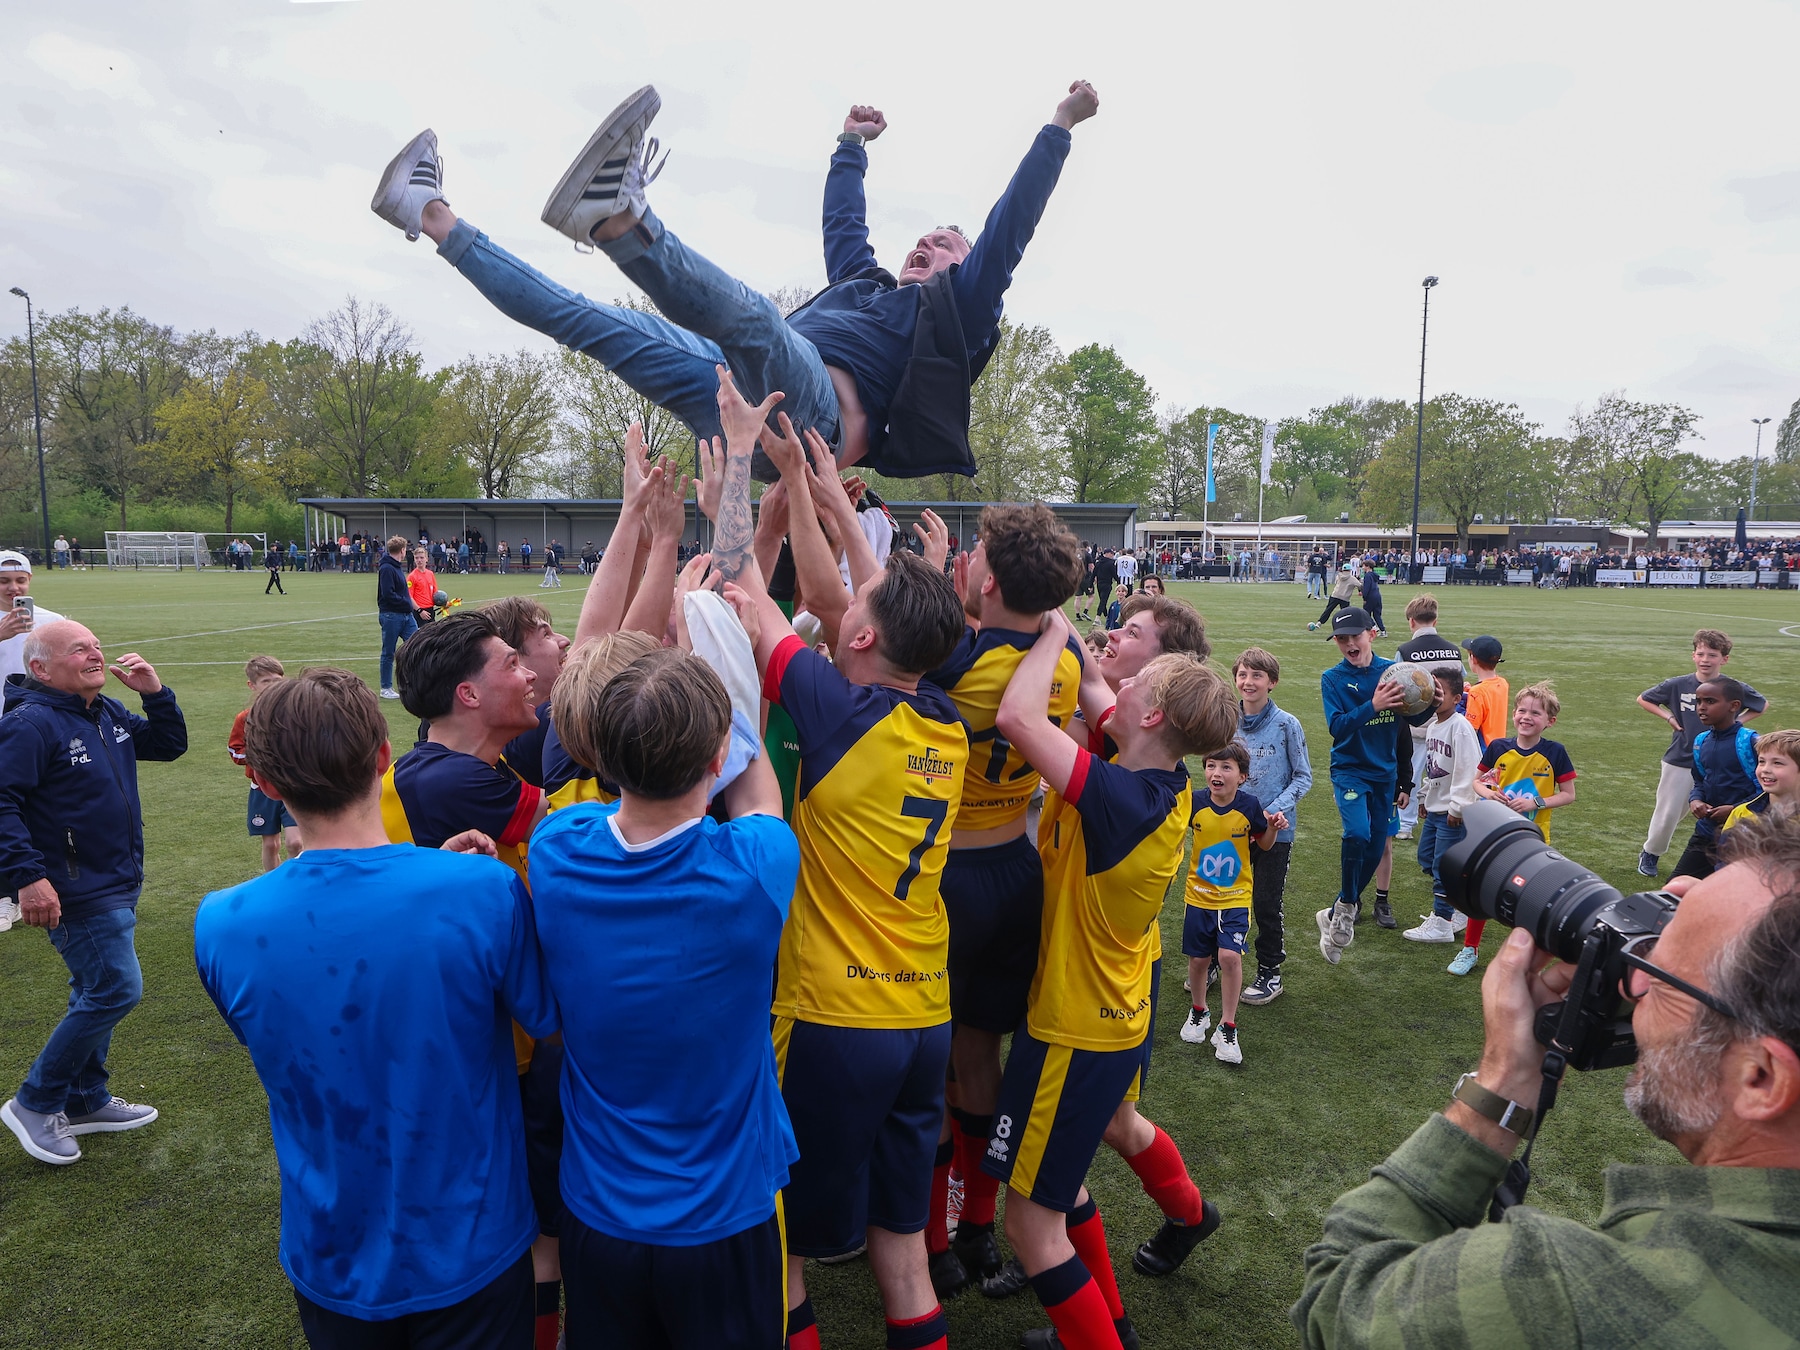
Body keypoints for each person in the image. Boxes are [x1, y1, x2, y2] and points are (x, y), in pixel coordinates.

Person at [374, 80, 1099, 481]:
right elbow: (845, 227)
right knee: (588, 320)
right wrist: (850, 146)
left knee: (756, 318)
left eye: (943, 244)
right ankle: (429, 212)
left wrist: (1059, 126)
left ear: (959, 268)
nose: (924, 245)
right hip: (736, 395)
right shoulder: (865, 287)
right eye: (924, 236)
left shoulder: (958, 315)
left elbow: (1009, 232)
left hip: (811, 421)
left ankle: (619, 219)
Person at [1294, 815, 1800, 1349]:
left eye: (1661, 973)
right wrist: (1711, 921)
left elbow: (1343, 1303)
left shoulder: (1583, 1297)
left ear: (1761, 1079)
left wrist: (1503, 1081)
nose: (1634, 984)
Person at [194, 668, 555, 1348]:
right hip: (473, 1243)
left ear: (265, 785)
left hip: (331, 1252)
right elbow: (547, 1019)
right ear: (384, 756)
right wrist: (448, 878)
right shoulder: (479, 890)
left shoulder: (221, 922)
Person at [527, 646, 798, 1349]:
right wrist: (725, 662)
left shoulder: (556, 847)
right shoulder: (756, 867)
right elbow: (760, 798)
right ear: (718, 757)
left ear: (602, 758)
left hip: (597, 1214)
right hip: (725, 1219)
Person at [986, 614, 1238, 1350]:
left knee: (1031, 1226)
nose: (1116, 688)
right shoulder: (1162, 779)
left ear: (1153, 714)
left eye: (1136, 686)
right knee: (1064, 1190)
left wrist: (1039, 640)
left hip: (1073, 1026)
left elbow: (1014, 717)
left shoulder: (1114, 797)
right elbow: (1098, 691)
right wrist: (1061, 625)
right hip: (1113, 1009)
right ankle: (1109, 1326)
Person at [918, 504, 1084, 1296]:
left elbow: (928, 648)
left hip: (945, 881)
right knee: (982, 1054)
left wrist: (951, 592)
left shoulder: (953, 661)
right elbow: (1018, 637)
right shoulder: (1067, 661)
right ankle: (979, 1227)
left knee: (926, 1066)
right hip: (1018, 873)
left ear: (984, 577)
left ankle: (930, 1245)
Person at [0, 621, 187, 1165]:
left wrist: (155, 694)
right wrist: (28, 878)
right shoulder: (30, 725)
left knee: (95, 985)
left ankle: (84, 1100)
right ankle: (34, 1103)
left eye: (96, 646)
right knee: (115, 988)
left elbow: (167, 745)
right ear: (41, 668)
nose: (95, 654)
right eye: (79, 649)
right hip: (71, 885)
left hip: (115, 876)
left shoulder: (102, 711)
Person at [1316, 607, 1418, 965]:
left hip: (1385, 774)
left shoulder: (1394, 671)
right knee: (1357, 833)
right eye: (1341, 639)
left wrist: (1432, 699)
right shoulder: (1333, 678)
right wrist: (1372, 705)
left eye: (1354, 636)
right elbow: (1338, 727)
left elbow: (1412, 717)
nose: (1348, 644)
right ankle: (1347, 902)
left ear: (1371, 634)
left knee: (1376, 849)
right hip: (1349, 771)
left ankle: (1338, 910)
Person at [1460, 681, 1578, 976]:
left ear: (1549, 722)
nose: (1526, 717)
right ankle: (1469, 949)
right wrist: (1489, 793)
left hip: (1534, 841)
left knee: (1529, 896)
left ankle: (1523, 959)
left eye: (1535, 713)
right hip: (1495, 835)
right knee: (1482, 890)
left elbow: (1568, 794)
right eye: (1521, 710)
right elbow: (1477, 781)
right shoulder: (1499, 747)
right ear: (1514, 714)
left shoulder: (1555, 753)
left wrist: (1535, 802)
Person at [1636, 628, 1767, 879]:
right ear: (1693, 656)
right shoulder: (1678, 684)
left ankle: (1722, 860)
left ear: (1724, 659)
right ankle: (1651, 852)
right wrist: (1669, 717)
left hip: (1722, 761)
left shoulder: (1731, 688)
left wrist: (1737, 722)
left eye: (1712, 654)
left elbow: (1761, 704)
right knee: (1668, 813)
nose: (1706, 659)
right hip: (1681, 758)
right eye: (1701, 653)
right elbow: (1644, 698)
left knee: (1707, 812)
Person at [1179, 741, 1277, 1065]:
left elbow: (1263, 842)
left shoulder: (1249, 806)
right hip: (1199, 896)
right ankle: (1199, 1011)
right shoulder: (1194, 804)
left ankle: (1228, 1025)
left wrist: (1272, 829)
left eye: (1226, 767)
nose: (1216, 773)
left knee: (1229, 957)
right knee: (1198, 961)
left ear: (1242, 776)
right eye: (1210, 766)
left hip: (1235, 897)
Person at [1232, 647, 1312, 1007]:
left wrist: (1272, 811)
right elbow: (1216, 767)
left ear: (1272, 683)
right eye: (1243, 674)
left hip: (1274, 830)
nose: (1248, 682)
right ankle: (1219, 959)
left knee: (1265, 901)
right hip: (1229, 828)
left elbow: (1302, 777)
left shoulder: (1286, 724)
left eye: (1257, 676)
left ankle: (1269, 971)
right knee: (1221, 897)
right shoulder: (1225, 720)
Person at [1400, 667, 1481, 948]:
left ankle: (1442, 922)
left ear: (1457, 697)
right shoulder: (1434, 726)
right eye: (1431, 691)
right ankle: (1456, 907)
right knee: (1427, 859)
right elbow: (1435, 767)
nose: (1434, 697)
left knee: (1442, 865)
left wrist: (1458, 808)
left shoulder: (1460, 728)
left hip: (1452, 812)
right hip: (1435, 808)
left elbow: (1469, 771)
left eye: (1440, 693)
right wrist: (1423, 795)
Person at [1671, 678, 1761, 882]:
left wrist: (1734, 809)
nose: (1701, 707)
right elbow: (1700, 780)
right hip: (1706, 832)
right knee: (1674, 887)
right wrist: (1695, 800)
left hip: (1743, 837)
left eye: (1710, 701)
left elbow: (1767, 791)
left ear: (1734, 706)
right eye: (1698, 701)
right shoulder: (1701, 741)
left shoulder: (1751, 742)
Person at [1393, 594, 1463, 841]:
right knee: (1444, 772)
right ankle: (1445, 816)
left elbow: (1395, 683)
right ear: (1436, 619)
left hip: (1416, 724)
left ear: (1411, 621)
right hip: (1446, 723)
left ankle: (1405, 823)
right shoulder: (1454, 651)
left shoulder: (1405, 651)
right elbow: (1461, 683)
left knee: (1411, 772)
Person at [228, 656, 303, 872]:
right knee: (271, 844)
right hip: (262, 789)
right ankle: (276, 888)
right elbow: (235, 751)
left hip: (293, 787)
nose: (273, 686)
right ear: (252, 685)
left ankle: (297, 884)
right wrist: (260, 756)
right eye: (266, 682)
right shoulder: (245, 718)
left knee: (295, 842)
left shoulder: (294, 712)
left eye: (277, 680)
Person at [0, 550, 66, 687]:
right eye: (3, 581)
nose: (13, 588)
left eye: (21, 580)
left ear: (29, 578)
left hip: (37, 704)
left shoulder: (53, 620)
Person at [1724, 727, 1800, 830]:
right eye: (1761, 761)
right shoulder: (1742, 814)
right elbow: (1725, 845)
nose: (1765, 769)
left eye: (1777, 763)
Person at [376, 535, 419, 700]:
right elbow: (387, 594)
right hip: (392, 615)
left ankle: (414, 682)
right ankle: (385, 687)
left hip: (406, 616)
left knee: (417, 645)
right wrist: (405, 602)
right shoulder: (387, 568)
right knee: (388, 652)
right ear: (402, 550)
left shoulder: (396, 567)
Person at [1459, 635, 1509, 749]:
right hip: (1499, 747)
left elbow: (1470, 731)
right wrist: (1470, 692)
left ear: (1474, 659)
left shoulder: (1477, 692)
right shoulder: (1502, 683)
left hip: (1483, 751)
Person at [1310, 564, 1358, 631]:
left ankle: (1319, 622)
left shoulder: (1338, 576)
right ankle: (1347, 625)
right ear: (1350, 570)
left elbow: (1336, 582)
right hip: (1345, 597)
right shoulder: (1352, 578)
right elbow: (1360, 585)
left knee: (1328, 610)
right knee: (1346, 612)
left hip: (1335, 595)